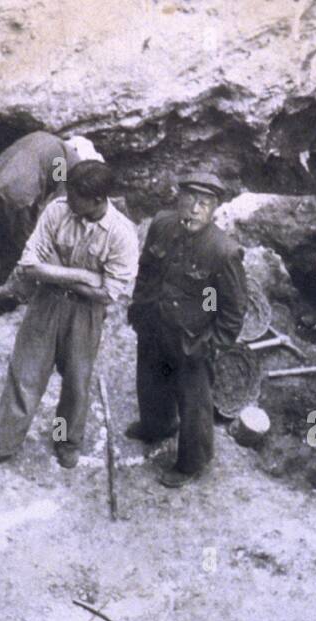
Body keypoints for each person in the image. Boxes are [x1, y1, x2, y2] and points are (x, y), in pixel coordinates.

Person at [0, 161, 138, 475]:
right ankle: (0, 445)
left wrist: (55, 271)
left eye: (76, 197)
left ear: (97, 200)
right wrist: (84, 275)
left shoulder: (122, 234)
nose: (69, 199)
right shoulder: (58, 210)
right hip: (46, 303)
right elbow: (30, 264)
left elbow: (108, 293)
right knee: (25, 375)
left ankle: (65, 441)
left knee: (75, 382)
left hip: (85, 315)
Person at [127, 171, 248, 487]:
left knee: (194, 402)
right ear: (177, 200)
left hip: (192, 339)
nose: (194, 209)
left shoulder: (224, 251)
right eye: (189, 200)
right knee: (150, 381)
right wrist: (139, 308)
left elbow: (233, 312)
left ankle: (191, 463)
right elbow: (146, 269)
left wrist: (211, 346)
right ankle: (157, 426)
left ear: (214, 209)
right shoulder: (162, 225)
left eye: (204, 203)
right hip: (154, 324)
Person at [0, 132, 103, 296]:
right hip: (19, 189)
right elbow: (56, 205)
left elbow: (9, 158)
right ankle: (17, 286)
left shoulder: (45, 139)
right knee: (25, 239)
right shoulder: (72, 165)